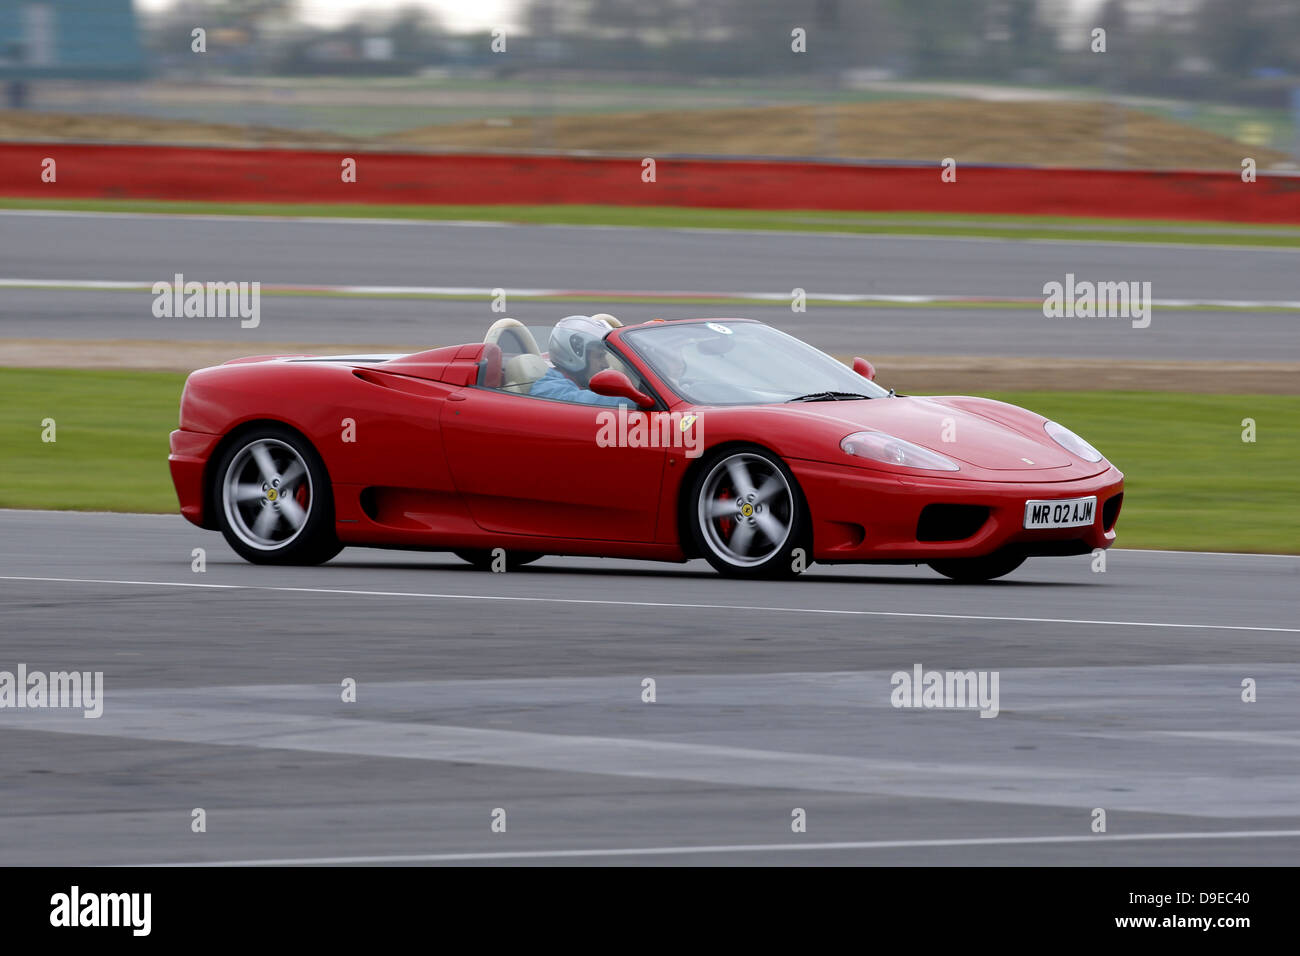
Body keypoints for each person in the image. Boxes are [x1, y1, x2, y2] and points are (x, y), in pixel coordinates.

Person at [531, 315, 635, 407]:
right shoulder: (549, 390)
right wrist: (639, 398)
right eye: (599, 356)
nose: (606, 364)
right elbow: (588, 402)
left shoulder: (581, 382)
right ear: (574, 355)